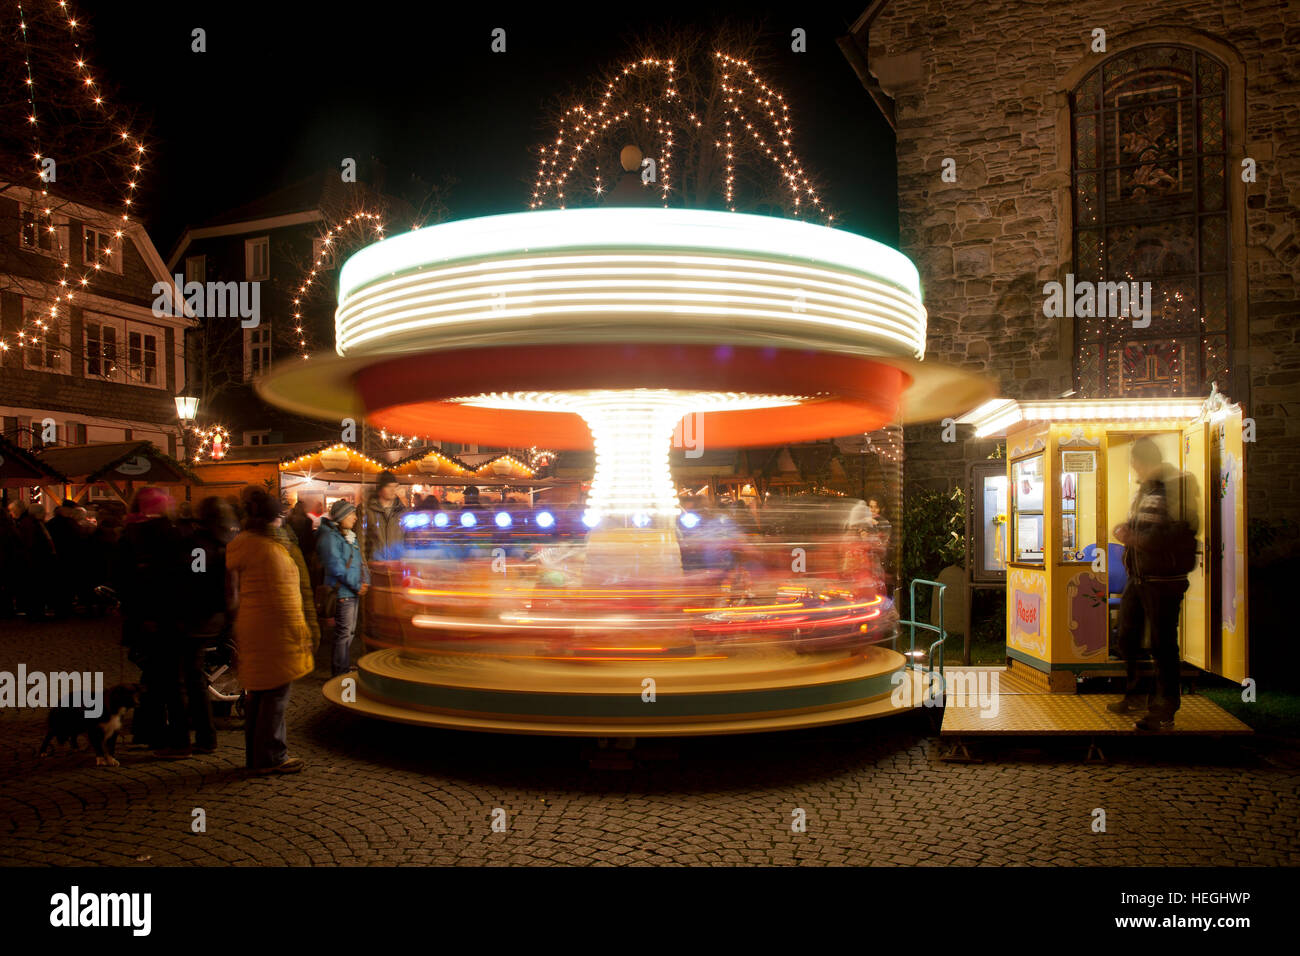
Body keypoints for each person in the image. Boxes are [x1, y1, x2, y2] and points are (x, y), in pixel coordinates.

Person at [1107, 437, 1199, 731]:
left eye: (1136, 464)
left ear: (1146, 462)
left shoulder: (1177, 489)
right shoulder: (1146, 490)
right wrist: (1127, 530)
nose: (1135, 470)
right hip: (1140, 575)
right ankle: (1135, 694)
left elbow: (1177, 533)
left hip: (1164, 579)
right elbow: (1143, 526)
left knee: (1163, 644)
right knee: (1127, 637)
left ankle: (1164, 707)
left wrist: (1134, 538)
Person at [226, 489, 313, 774]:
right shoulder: (271, 550)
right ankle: (271, 756)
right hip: (275, 633)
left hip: (252, 627)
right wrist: (302, 636)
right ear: (272, 519)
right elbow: (284, 601)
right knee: (275, 696)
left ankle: (256, 755)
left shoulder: (241, 544)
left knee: (258, 695)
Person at [161, 496, 234, 757]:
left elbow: (195, 580)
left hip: (192, 621)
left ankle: (182, 741)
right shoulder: (223, 542)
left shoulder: (200, 547)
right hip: (210, 619)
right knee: (194, 680)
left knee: (180, 681)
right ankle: (205, 737)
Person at [114, 487, 186, 750]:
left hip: (140, 618)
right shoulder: (167, 533)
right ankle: (169, 736)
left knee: (152, 675)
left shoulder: (128, 535)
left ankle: (145, 729)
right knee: (168, 679)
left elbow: (121, 580)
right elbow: (175, 580)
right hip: (165, 617)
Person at [265, 496, 321, 664]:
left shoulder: (244, 545)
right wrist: (312, 629)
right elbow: (303, 592)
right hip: (286, 628)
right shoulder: (289, 546)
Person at [317, 500, 369, 676]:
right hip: (342, 591)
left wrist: (365, 580)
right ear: (341, 517)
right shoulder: (330, 538)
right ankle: (340, 671)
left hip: (352, 591)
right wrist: (356, 585)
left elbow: (359, 561)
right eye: (351, 514)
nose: (355, 517)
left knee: (349, 632)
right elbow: (336, 566)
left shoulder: (348, 535)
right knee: (343, 633)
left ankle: (343, 666)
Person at [362, 470, 408, 562]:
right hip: (375, 566)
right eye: (388, 486)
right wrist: (364, 568)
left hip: (396, 565)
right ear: (380, 489)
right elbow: (361, 541)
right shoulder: (367, 510)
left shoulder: (402, 511)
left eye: (395, 486)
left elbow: (407, 539)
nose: (392, 490)